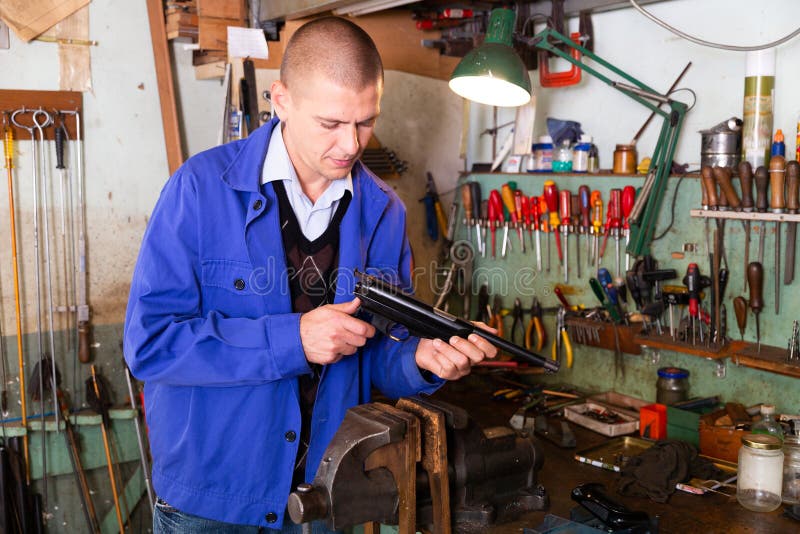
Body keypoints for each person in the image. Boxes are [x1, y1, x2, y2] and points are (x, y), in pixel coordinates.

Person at [124, 16, 497, 533]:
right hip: (212, 504)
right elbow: (150, 345)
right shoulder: (199, 191)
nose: (351, 144)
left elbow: (378, 354)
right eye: (331, 123)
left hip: (327, 496)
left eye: (366, 121)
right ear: (281, 100)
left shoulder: (383, 211)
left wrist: (421, 359)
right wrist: (292, 339)